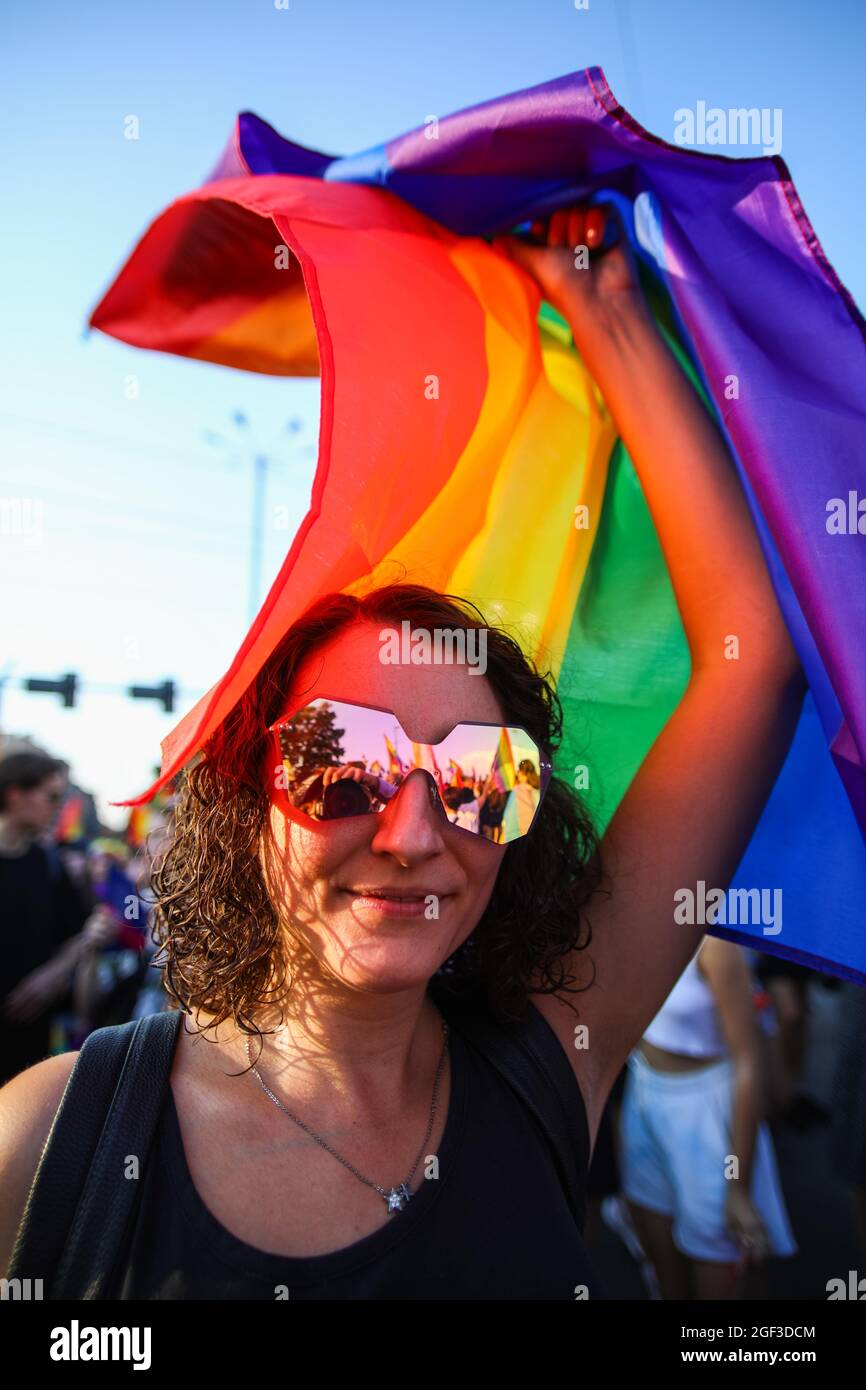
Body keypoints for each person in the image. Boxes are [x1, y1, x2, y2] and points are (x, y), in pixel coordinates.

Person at [0, 205, 806, 1299]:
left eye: (481, 775)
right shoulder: (48, 1140)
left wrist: (598, 305)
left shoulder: (547, 1056)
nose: (417, 833)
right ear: (249, 792)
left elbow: (749, 655)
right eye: (343, 757)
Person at [618, 936, 797, 1299]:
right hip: (642, 1097)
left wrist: (738, 1187)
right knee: (665, 1285)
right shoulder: (629, 911)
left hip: (708, 1116)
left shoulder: (716, 942)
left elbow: (748, 1062)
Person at [0, 751, 115, 1086]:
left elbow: (80, 936)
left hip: (28, 1048)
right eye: (51, 797)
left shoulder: (50, 866)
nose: (58, 808)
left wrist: (52, 975)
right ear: (15, 795)